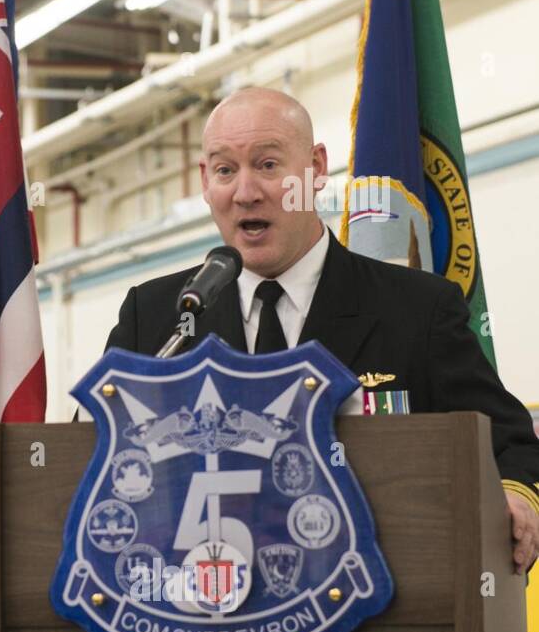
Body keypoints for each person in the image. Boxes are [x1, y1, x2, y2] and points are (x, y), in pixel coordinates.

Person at [101, 86, 539, 573]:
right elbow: (97, 458)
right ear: (206, 181)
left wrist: (516, 501)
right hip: (205, 616)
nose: (246, 192)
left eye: (268, 165)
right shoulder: (157, 316)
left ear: (314, 169)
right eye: (225, 170)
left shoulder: (418, 309)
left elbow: (511, 444)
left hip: (381, 609)